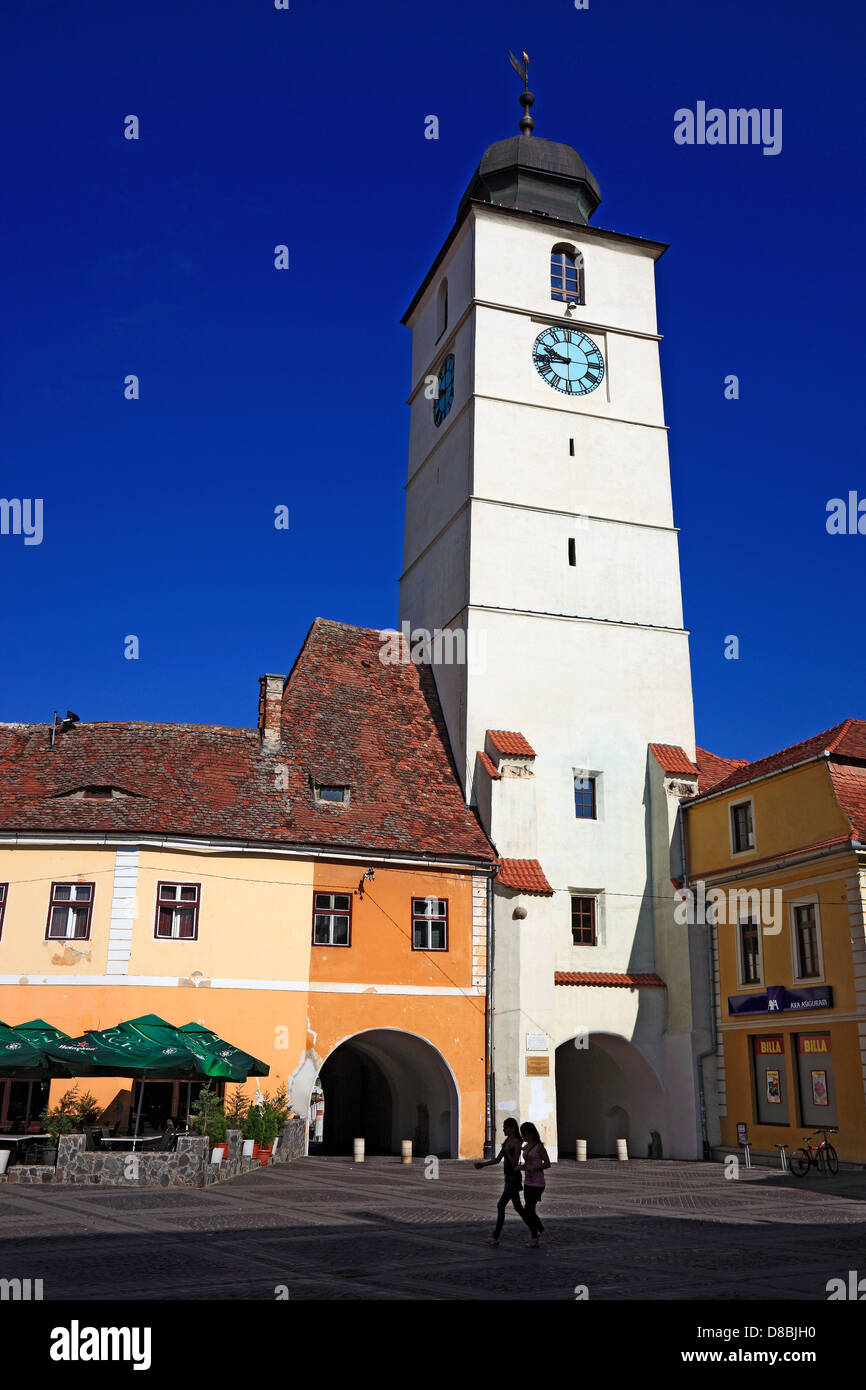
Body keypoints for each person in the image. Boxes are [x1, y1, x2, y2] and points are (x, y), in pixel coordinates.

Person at [474, 1117, 532, 1245]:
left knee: (501, 1205)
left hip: (514, 1178)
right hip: (508, 1178)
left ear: (512, 1129)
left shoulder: (517, 1143)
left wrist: (507, 1151)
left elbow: (514, 1163)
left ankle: (495, 1236)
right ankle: (535, 1230)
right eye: (503, 1128)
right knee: (518, 1208)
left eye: (506, 1128)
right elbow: (498, 1159)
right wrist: (483, 1165)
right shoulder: (507, 1142)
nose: (504, 1130)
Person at [520, 1122, 551, 1248]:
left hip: (537, 1182)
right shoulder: (526, 1147)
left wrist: (535, 1168)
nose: (523, 1136)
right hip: (527, 1181)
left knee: (529, 1210)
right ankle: (539, 1234)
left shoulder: (539, 1147)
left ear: (531, 1133)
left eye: (525, 1134)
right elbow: (526, 1163)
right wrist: (520, 1167)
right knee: (529, 1210)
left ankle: (537, 1235)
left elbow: (547, 1164)